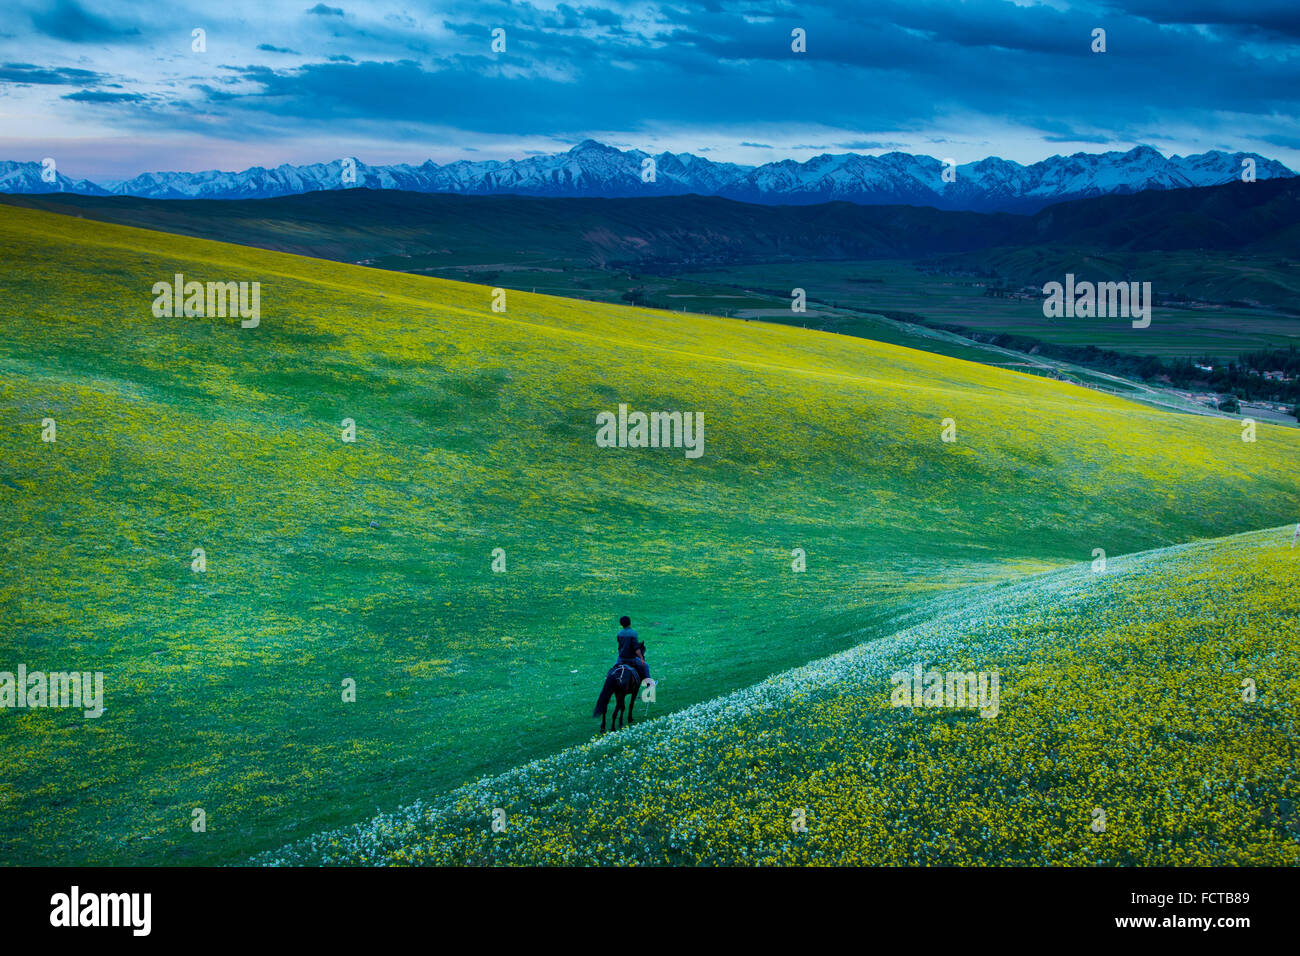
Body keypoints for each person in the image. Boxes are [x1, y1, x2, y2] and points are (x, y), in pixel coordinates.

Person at [615, 615, 651, 685]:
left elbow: (619, 647)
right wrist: (641, 658)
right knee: (646, 666)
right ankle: (649, 683)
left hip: (621, 658)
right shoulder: (633, 633)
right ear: (629, 623)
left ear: (621, 624)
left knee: (614, 669)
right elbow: (636, 649)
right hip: (631, 659)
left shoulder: (619, 633)